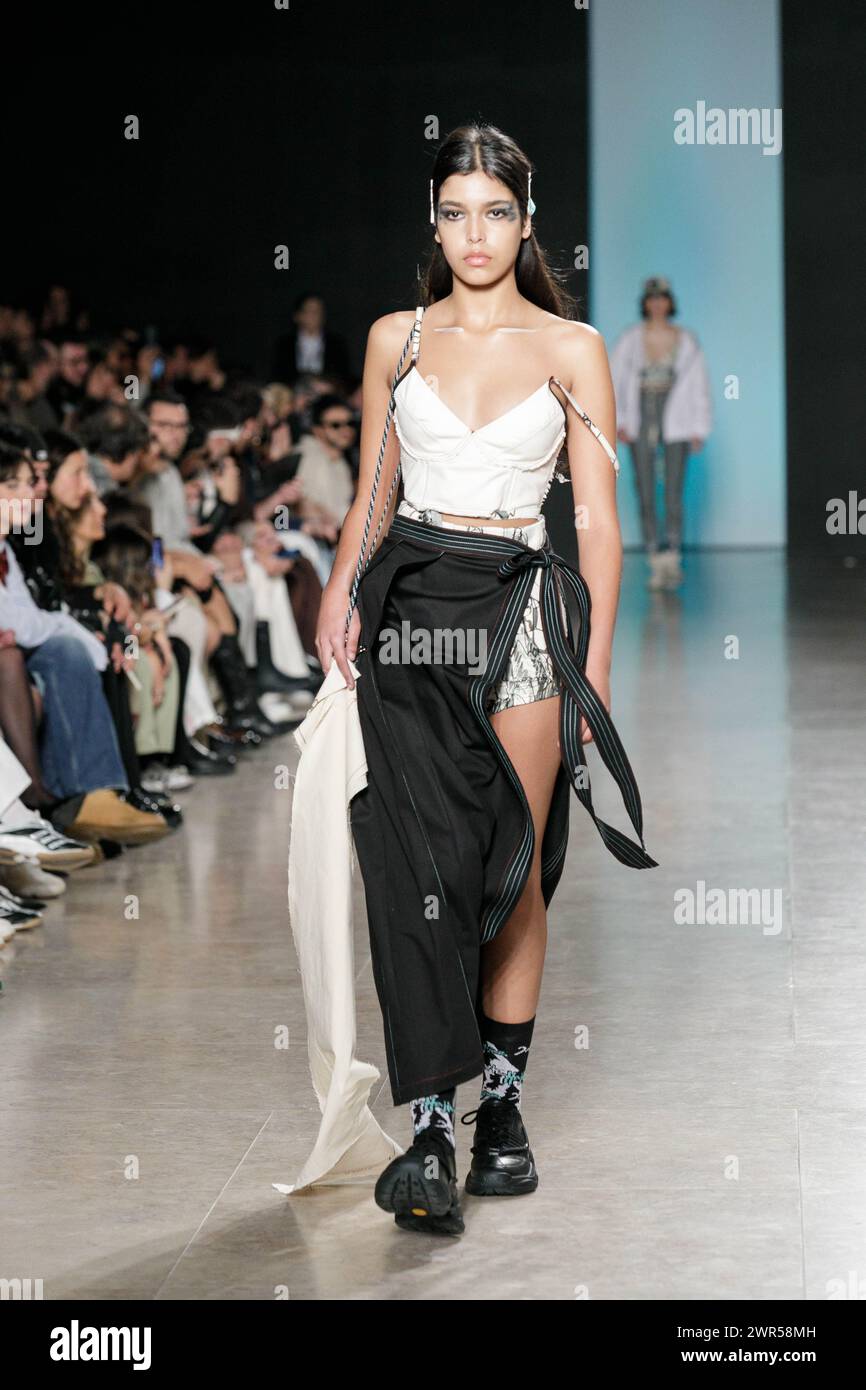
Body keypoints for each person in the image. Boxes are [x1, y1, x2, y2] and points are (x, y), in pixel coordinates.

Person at [304, 123, 658, 1238]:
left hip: (521, 613)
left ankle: (499, 1111)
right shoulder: (392, 341)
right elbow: (372, 484)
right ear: (432, 216)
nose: (473, 233)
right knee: (414, 860)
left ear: (525, 221)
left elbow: (596, 525)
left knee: (509, 864)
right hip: (409, 607)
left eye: (494, 212)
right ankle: (426, 1122)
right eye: (454, 211)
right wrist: (337, 586)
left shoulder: (571, 346)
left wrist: (590, 672)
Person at [608, 276, 712, 590]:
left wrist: (698, 427)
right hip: (642, 413)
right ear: (645, 303)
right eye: (651, 298)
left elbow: (698, 388)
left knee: (674, 490)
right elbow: (615, 380)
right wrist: (620, 420)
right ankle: (655, 555)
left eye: (662, 298)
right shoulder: (631, 339)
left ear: (670, 302)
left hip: (676, 417)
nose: (657, 304)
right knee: (644, 487)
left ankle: (673, 554)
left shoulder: (687, 341)